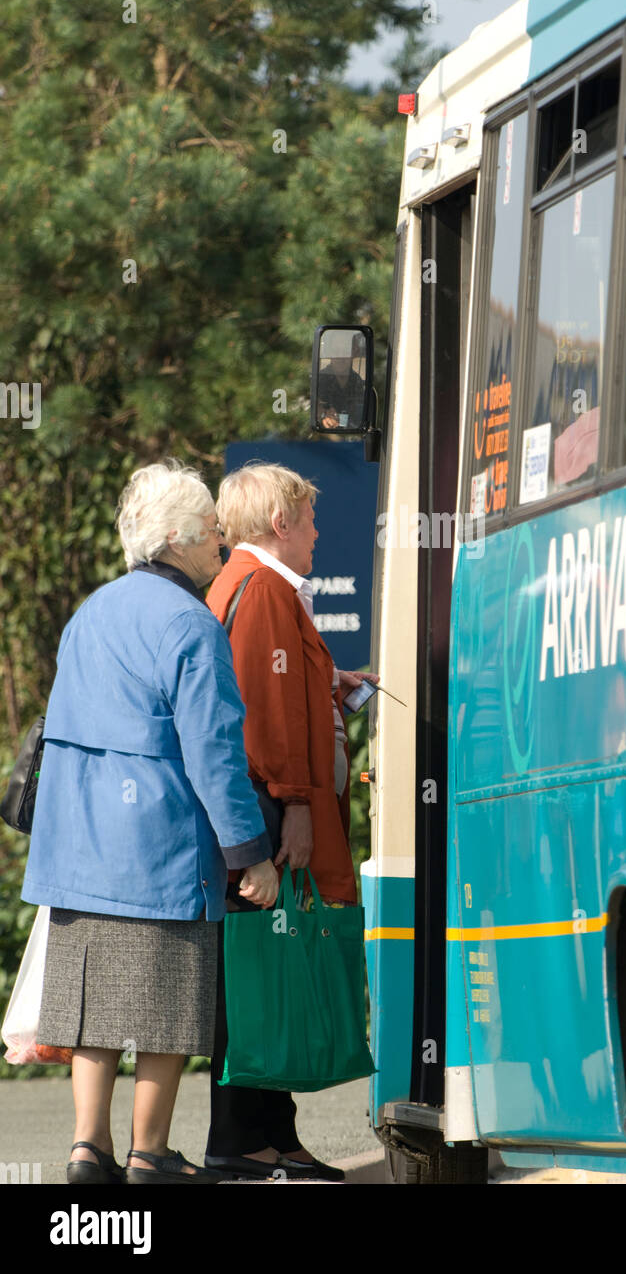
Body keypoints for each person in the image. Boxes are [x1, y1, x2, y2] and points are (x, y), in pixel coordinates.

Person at [21, 460, 279, 1185]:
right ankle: (149, 1153)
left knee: (88, 1013)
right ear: (175, 539)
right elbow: (214, 749)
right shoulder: (190, 624)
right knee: (169, 1006)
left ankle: (85, 1150)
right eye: (210, 535)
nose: (220, 547)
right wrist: (248, 853)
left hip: (75, 849)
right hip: (157, 850)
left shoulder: (90, 611)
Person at [204, 462, 373, 1182]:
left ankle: (274, 1134)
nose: (315, 534)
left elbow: (280, 690)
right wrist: (298, 807)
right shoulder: (266, 588)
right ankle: (241, 1141)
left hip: (271, 799)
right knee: (260, 972)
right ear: (280, 523)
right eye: (307, 521)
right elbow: (264, 714)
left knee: (268, 966)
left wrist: (330, 683)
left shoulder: (253, 585)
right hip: (272, 806)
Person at [317, 331, 368, 428]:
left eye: (345, 350)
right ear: (329, 352)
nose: (340, 356)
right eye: (336, 351)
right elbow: (308, 406)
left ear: (355, 352)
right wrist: (323, 415)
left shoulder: (358, 382)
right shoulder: (317, 381)